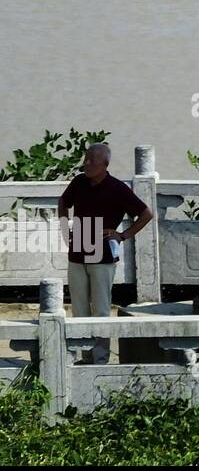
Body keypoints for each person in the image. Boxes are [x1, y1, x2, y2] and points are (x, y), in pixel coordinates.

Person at [57, 143, 154, 364]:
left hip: (102, 256)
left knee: (100, 309)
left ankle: (100, 359)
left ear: (105, 164)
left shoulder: (117, 188)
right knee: (79, 309)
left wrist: (122, 235)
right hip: (77, 252)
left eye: (92, 160)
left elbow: (146, 214)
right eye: (86, 159)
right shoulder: (79, 182)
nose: (87, 164)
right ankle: (84, 355)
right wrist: (65, 230)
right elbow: (63, 202)